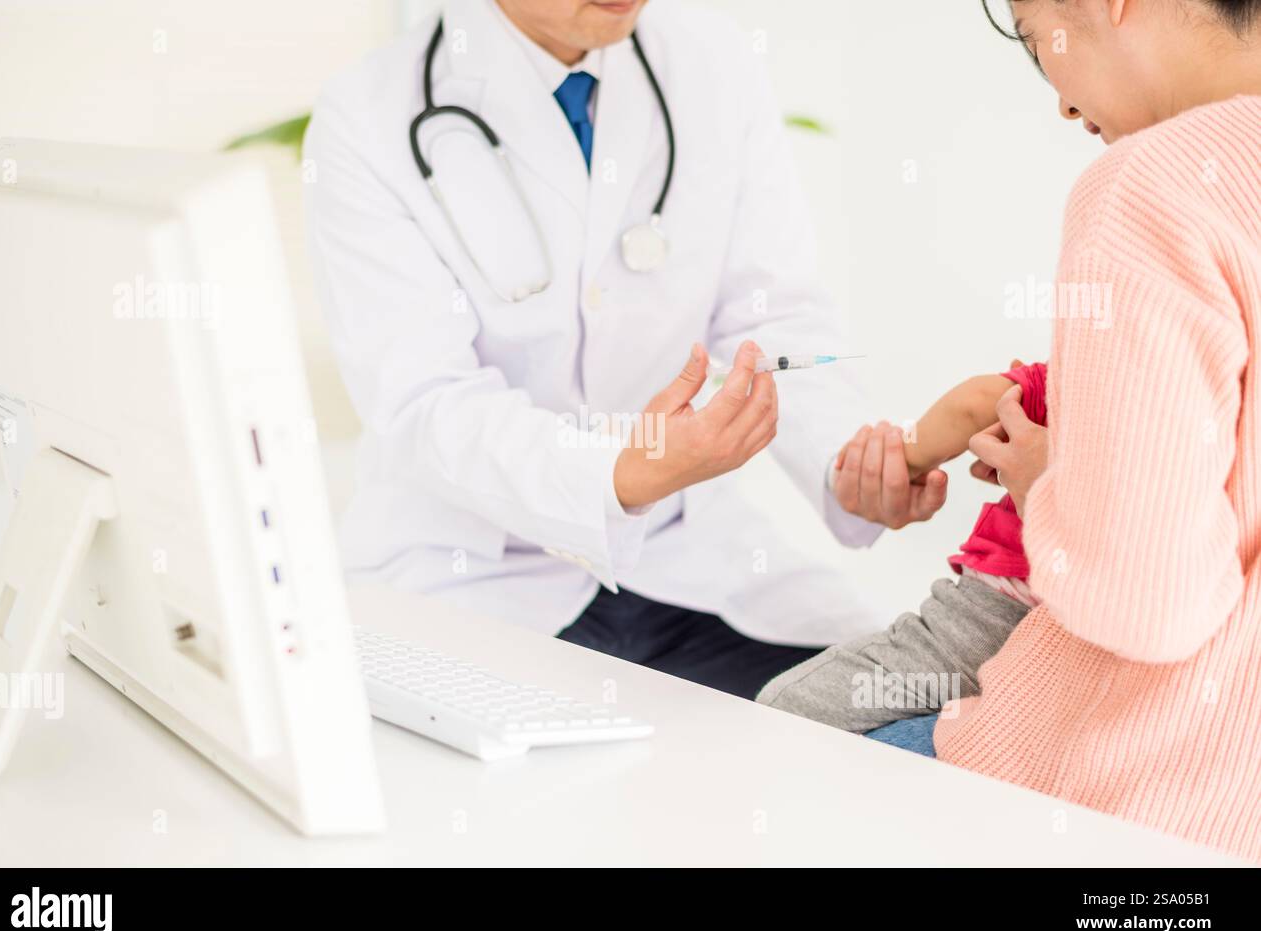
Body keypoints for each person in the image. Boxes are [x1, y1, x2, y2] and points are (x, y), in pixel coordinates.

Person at [304, 0, 894, 700]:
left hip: (687, 558)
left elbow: (769, 315)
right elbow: (426, 401)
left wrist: (851, 461)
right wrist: (619, 473)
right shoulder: (367, 115)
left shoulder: (710, 60)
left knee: (891, 717)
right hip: (472, 573)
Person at [835, 0, 1261, 861]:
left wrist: (1043, 483)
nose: (1063, 104)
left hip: (1133, 810)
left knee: (760, 753)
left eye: (1037, 41)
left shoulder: (1154, 186)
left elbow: (1150, 602)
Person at [758, 363, 1048, 755]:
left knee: (781, 708)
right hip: (1078, 652)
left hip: (992, 623)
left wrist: (909, 460)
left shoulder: (1094, 373)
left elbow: (977, 403)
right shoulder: (1155, 398)